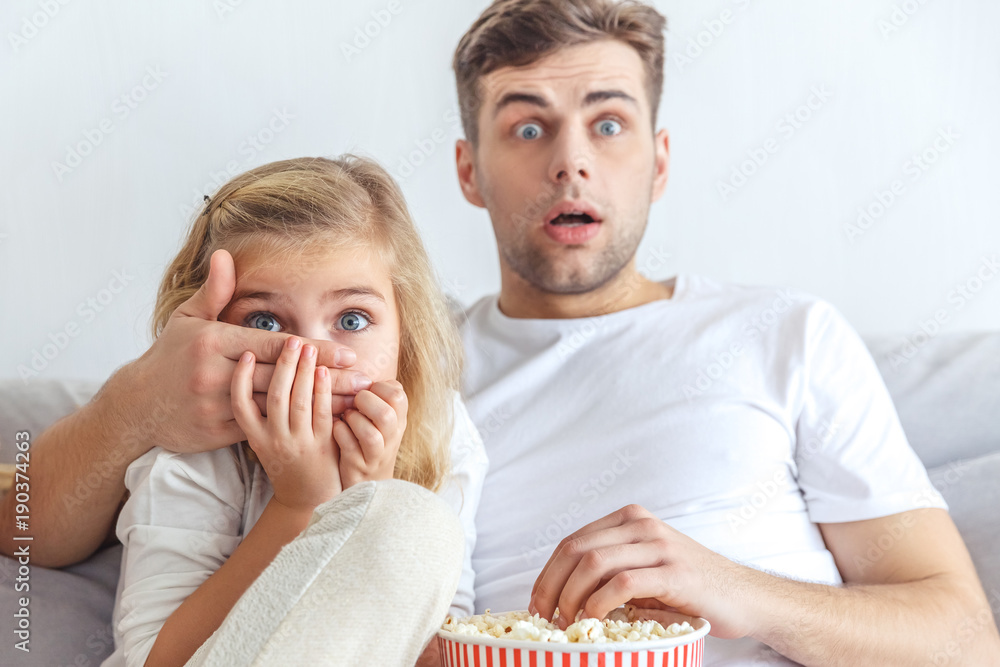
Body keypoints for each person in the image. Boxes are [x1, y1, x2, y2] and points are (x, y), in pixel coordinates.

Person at [3, 1, 998, 665]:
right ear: (469, 169)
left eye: (606, 123)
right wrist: (137, 401)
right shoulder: (391, 369)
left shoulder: (786, 336)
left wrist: (734, 588)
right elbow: (23, 520)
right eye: (526, 126)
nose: (571, 163)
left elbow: (963, 635)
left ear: (657, 161)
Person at [102, 155, 487, 666]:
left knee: (412, 522)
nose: (312, 360)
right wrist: (304, 504)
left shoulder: (440, 428)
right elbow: (155, 660)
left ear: (405, 328)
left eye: (351, 319)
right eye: (265, 323)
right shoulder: (195, 455)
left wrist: (370, 504)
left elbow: (446, 647)